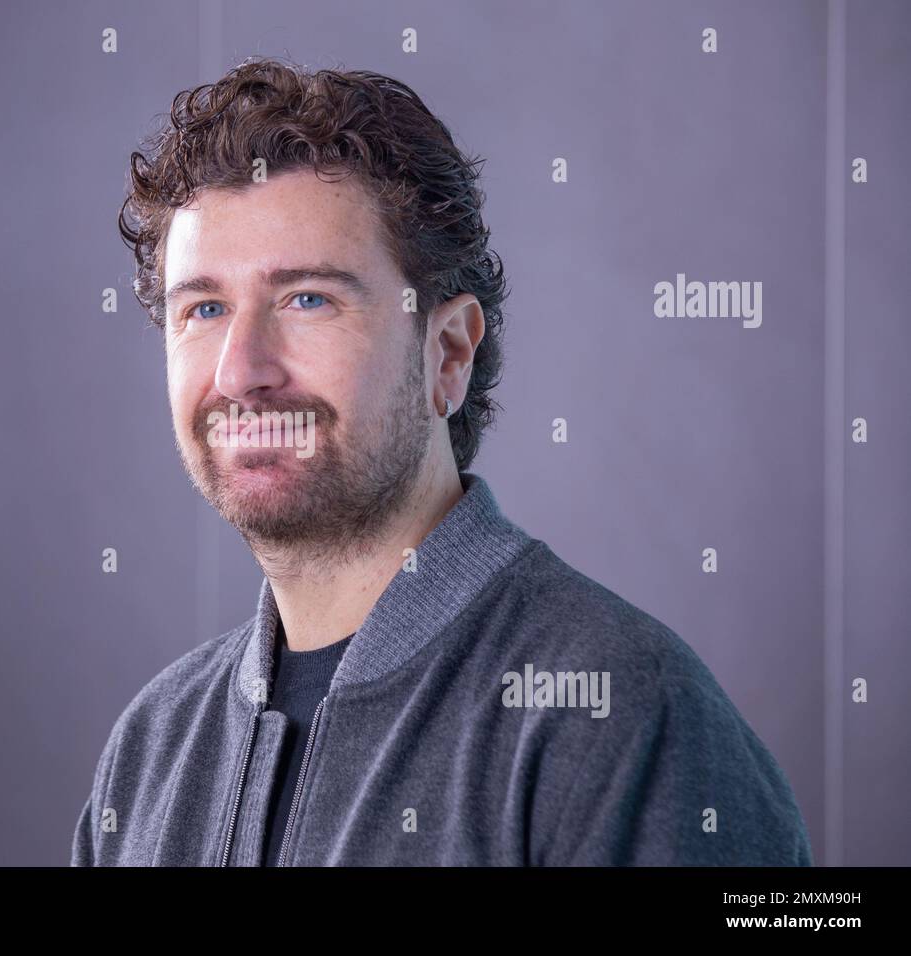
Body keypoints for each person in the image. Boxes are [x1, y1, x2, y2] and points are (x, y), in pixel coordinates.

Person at [71, 57, 812, 866]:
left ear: (448, 353)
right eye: (204, 309)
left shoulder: (623, 714)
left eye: (308, 298)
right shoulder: (148, 754)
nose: (241, 368)